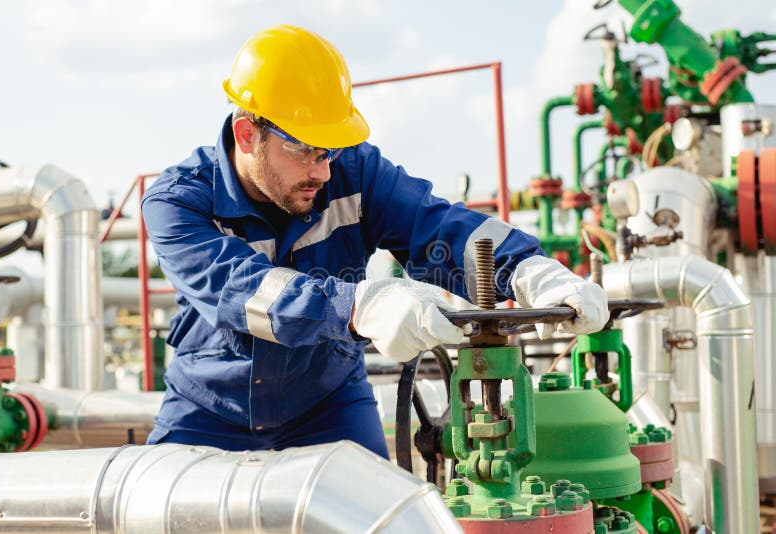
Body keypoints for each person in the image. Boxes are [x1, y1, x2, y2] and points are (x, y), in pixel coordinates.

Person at [141, 24, 609, 459]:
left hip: (327, 404)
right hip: (210, 410)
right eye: (305, 150)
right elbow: (242, 291)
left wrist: (525, 268)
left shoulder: (355, 172)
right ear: (247, 135)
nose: (323, 172)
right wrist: (357, 306)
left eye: (329, 151)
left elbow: (434, 225)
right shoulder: (178, 203)